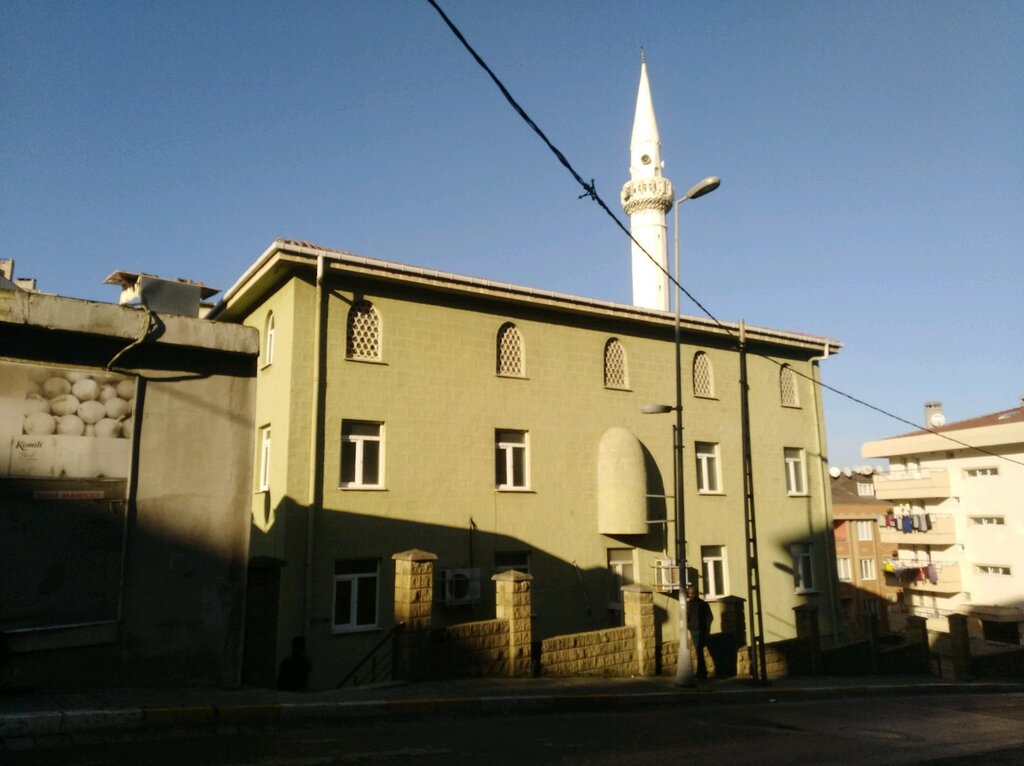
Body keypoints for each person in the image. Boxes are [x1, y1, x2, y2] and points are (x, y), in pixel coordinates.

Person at [686, 585, 713, 680]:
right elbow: (686, 618)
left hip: (701, 630)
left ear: (696, 593)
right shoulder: (688, 605)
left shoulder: (702, 604)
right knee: (699, 652)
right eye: (689, 593)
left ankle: (701, 673)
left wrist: (706, 629)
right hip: (694, 630)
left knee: (699, 652)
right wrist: (689, 626)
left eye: (692, 593)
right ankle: (701, 672)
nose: (690, 595)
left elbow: (709, 617)